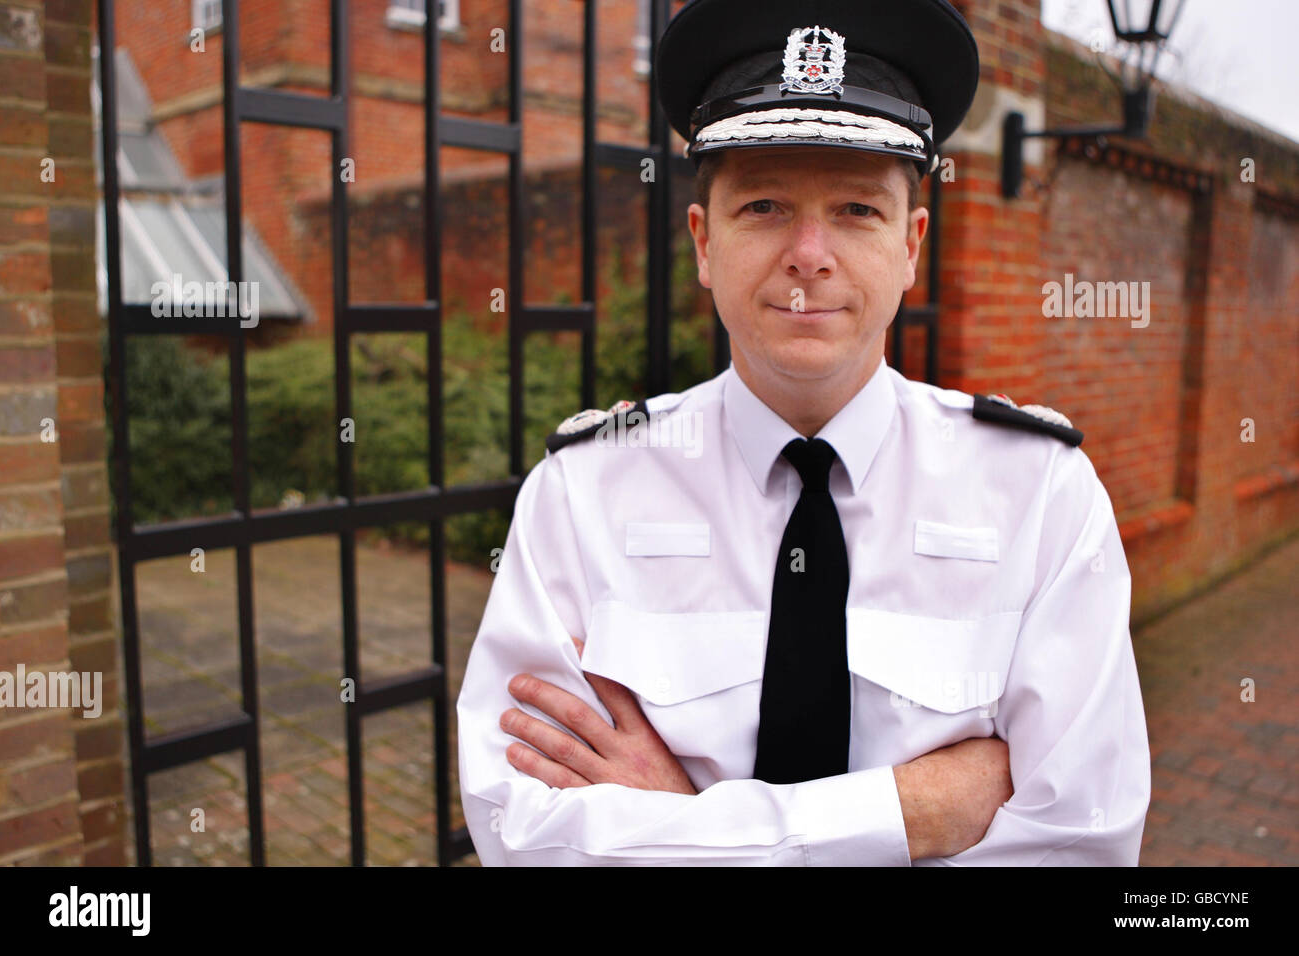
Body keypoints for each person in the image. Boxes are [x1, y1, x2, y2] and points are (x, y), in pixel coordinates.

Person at [456, 0, 1151, 865]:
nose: (810, 252)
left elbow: (1082, 843)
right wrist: (912, 813)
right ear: (705, 244)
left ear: (912, 246)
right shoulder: (581, 495)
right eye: (766, 207)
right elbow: (520, 826)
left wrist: (684, 823)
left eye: (859, 208)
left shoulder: (1041, 495)